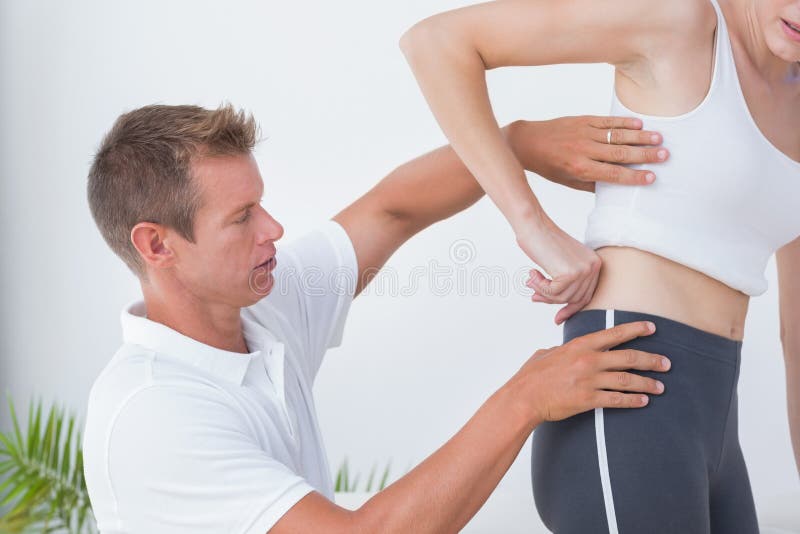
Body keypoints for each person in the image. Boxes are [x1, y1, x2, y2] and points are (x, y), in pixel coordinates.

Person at [82, 103, 671, 533]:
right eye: (242, 218)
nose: (274, 230)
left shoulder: (261, 306)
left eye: (261, 203)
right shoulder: (154, 415)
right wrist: (524, 399)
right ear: (157, 246)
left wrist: (516, 145)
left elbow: (392, 210)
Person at [399, 0, 800, 532]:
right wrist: (532, 224)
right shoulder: (682, 23)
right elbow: (437, 42)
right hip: (626, 389)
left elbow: (796, 337)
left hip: (719, 415)